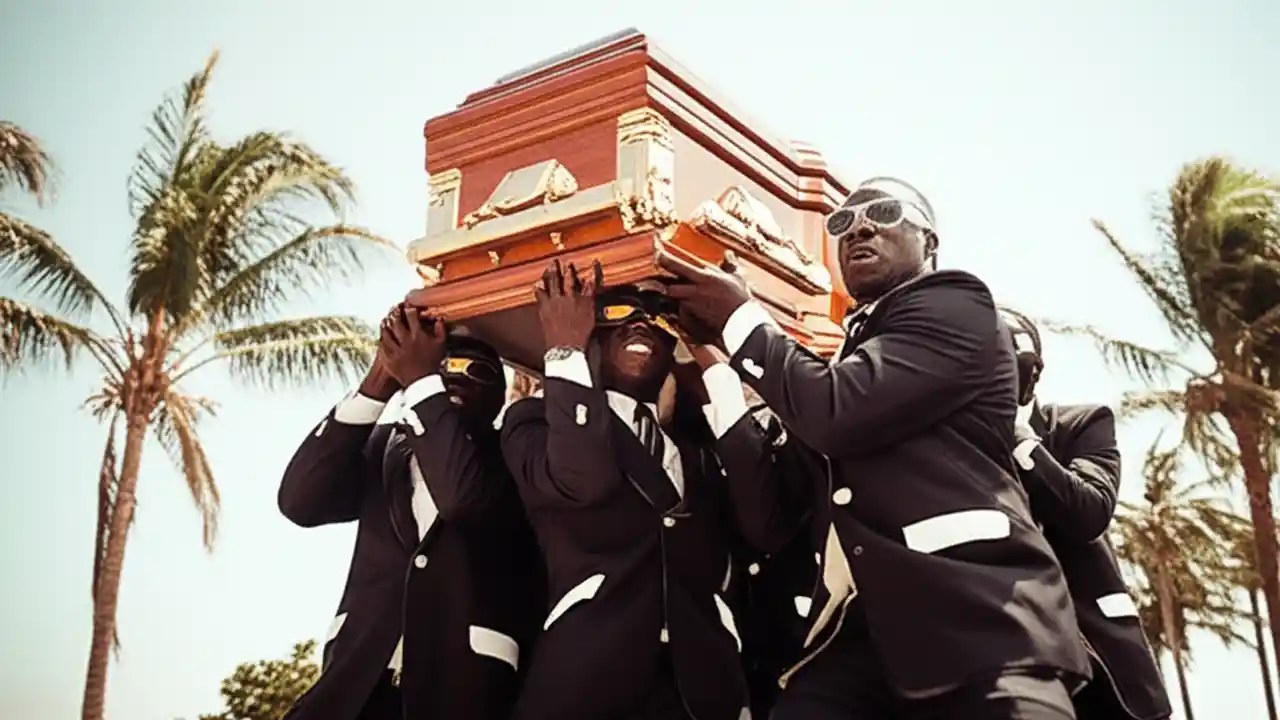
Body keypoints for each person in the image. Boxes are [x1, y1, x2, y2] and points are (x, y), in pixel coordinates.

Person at [660, 176, 1091, 719]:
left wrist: (744, 320)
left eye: (885, 212)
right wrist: (718, 370)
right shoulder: (841, 370)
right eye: (840, 222)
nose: (859, 225)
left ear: (929, 242)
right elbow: (768, 519)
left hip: (975, 622)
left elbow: (835, 411)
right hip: (849, 643)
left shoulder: (955, 305)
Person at [500, 261, 788, 720]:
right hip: (585, 683)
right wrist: (564, 350)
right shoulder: (533, 421)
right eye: (616, 310)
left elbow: (765, 527)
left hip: (705, 690)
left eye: (655, 315)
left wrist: (714, 363)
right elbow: (582, 480)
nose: (638, 322)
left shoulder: (699, 449)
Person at [278, 305, 543, 720]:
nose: (457, 375)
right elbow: (300, 501)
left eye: (479, 370)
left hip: (463, 689)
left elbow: (460, 499)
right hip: (354, 689)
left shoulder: (516, 454)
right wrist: (378, 383)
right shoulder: (384, 446)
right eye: (446, 364)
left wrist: (422, 381)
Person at [1001, 307, 1172, 720]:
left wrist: (1020, 439)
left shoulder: (1081, 424)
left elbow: (1087, 513)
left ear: (1029, 372)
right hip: (1007, 658)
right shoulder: (956, 445)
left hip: (1100, 659)